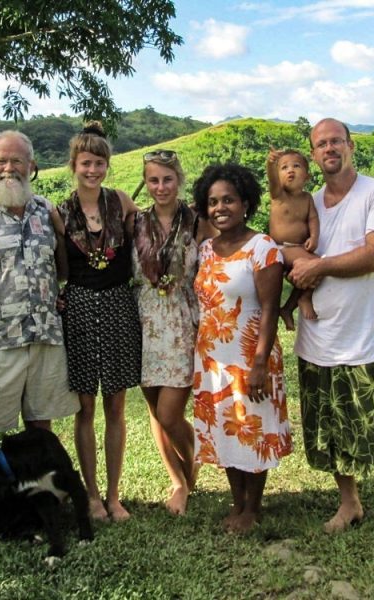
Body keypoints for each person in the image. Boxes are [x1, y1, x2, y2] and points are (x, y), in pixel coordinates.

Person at [289, 118, 374, 568]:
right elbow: (285, 246)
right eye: (321, 143)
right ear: (313, 153)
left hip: (365, 340)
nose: (329, 148)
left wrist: (317, 266)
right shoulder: (307, 205)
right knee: (330, 432)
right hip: (316, 338)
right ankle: (350, 503)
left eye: (335, 141)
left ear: (350, 145)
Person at [0, 130, 78, 488]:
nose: (9, 168)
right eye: (1, 161)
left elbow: (62, 269)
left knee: (40, 424)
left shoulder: (46, 210)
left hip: (43, 336)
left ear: (31, 166)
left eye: (17, 161)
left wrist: (61, 245)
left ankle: (38, 496)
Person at [192, 163, 292, 533]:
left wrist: (261, 362)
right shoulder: (205, 250)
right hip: (213, 359)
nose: (221, 208)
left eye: (229, 200)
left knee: (253, 429)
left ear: (246, 203)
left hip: (251, 355)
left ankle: (253, 507)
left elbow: (268, 308)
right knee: (224, 430)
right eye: (213, 201)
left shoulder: (262, 247)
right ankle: (237, 501)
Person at [58, 122, 141, 522]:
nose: (93, 170)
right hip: (78, 306)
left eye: (100, 163)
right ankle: (90, 495)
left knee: (116, 405)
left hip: (118, 305)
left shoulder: (121, 202)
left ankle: (114, 494)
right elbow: (58, 266)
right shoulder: (59, 211)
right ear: (74, 164)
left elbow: (148, 241)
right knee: (85, 407)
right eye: (86, 163)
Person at [128, 149, 208, 515]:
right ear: (146, 181)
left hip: (181, 321)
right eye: (153, 179)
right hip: (143, 322)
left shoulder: (197, 222)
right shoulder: (135, 222)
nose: (160, 187)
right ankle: (178, 481)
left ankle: (192, 464)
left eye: (167, 179)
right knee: (155, 412)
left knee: (170, 413)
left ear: (179, 180)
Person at [266, 148, 319, 331]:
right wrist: (270, 164)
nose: (290, 170)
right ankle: (303, 298)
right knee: (317, 264)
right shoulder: (278, 195)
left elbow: (313, 219)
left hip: (298, 248)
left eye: (296, 166)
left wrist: (314, 236)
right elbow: (272, 180)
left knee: (314, 270)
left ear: (307, 176)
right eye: (284, 167)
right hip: (281, 248)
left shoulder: (307, 198)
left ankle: (288, 308)